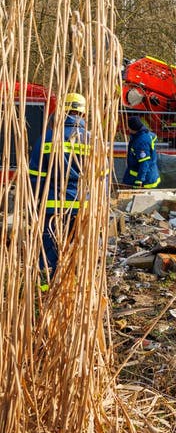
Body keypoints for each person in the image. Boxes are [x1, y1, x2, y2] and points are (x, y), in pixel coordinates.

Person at [28, 92, 91, 289]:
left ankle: (47, 289)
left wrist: (34, 201)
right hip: (82, 205)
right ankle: (75, 288)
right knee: (79, 249)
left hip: (51, 206)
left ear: (62, 111)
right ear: (83, 113)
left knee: (49, 250)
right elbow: (102, 176)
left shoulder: (47, 138)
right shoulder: (92, 140)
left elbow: (34, 173)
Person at [124, 115, 161, 188]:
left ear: (132, 128)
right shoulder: (144, 134)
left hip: (144, 180)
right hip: (138, 174)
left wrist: (139, 180)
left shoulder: (141, 142)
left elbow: (144, 163)